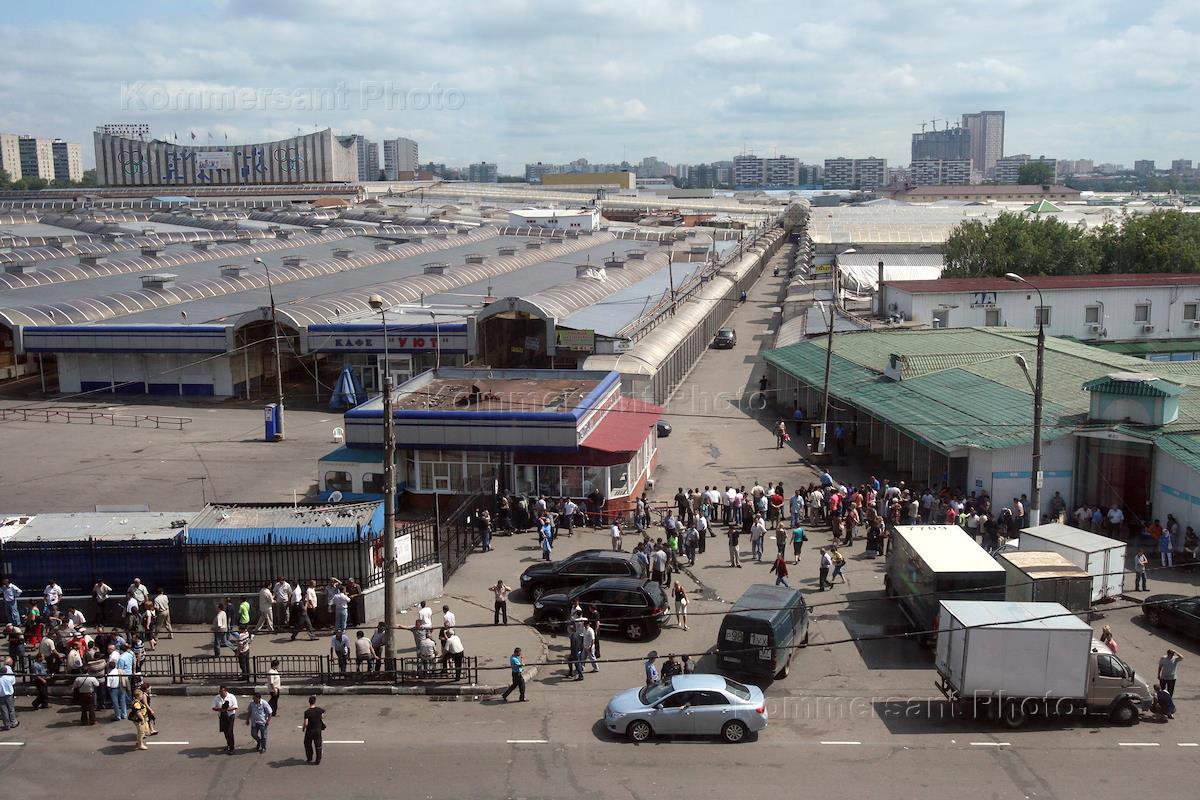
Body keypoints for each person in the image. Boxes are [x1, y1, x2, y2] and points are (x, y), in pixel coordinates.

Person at [213, 685, 239, 754]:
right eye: (220, 692)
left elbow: (235, 706)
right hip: (222, 716)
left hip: (230, 716)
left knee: (230, 731)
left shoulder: (231, 697)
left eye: (222, 692)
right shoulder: (216, 698)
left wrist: (227, 709)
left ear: (225, 691)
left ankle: (232, 748)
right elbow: (213, 707)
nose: (221, 693)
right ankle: (228, 744)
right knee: (225, 731)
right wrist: (220, 709)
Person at [303, 695, 325, 764]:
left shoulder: (307, 712)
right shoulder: (319, 710)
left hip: (309, 731)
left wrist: (303, 728)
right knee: (318, 745)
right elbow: (322, 716)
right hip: (318, 730)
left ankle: (309, 758)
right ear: (314, 702)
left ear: (309, 702)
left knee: (307, 744)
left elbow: (306, 723)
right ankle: (318, 760)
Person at [0, 658, 15, 731]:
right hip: (9, 695)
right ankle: (13, 722)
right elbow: (13, 682)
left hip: (1, 696)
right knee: (11, 709)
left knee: (4, 711)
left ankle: (7, 725)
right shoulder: (8, 678)